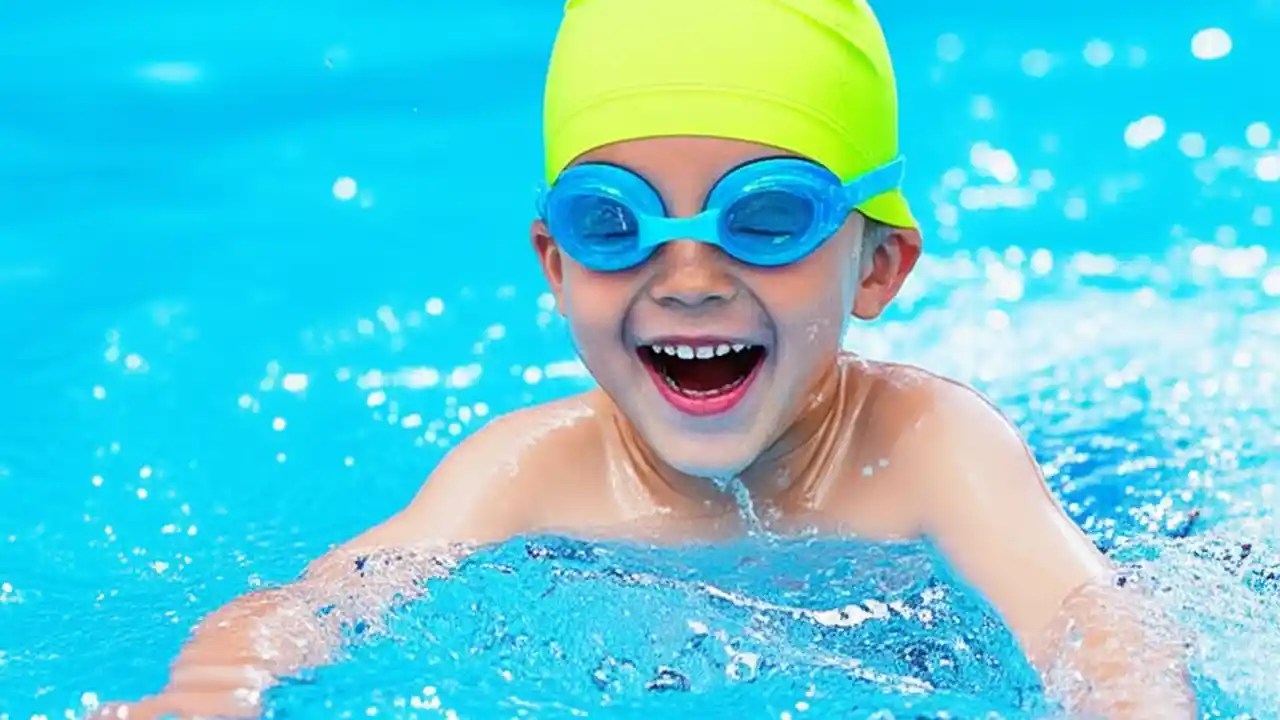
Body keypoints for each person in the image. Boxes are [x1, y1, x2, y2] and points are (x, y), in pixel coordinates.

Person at [103, 0, 1196, 717]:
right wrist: (209, 690)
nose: (687, 276)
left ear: (874, 268)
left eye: (764, 217)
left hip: (1107, 491)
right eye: (611, 222)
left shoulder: (926, 447)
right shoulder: (526, 469)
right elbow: (313, 603)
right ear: (553, 264)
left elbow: (1083, 615)